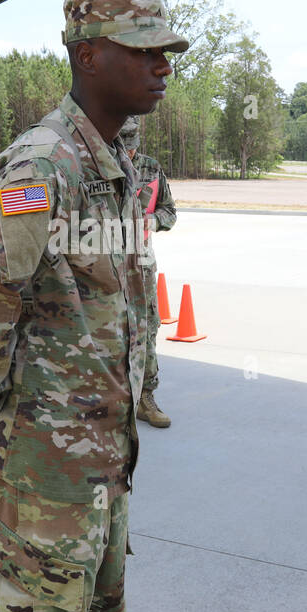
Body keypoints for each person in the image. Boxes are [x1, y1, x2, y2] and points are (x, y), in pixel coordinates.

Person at [0, 0, 185, 612]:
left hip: (103, 471)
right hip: (45, 483)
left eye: (167, 53)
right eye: (145, 51)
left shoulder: (114, 163)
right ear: (88, 55)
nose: (163, 66)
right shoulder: (44, 167)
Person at [119, 117, 177, 428]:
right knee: (108, 330)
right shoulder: (99, 167)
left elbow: (170, 211)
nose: (126, 154)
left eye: (131, 148)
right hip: (106, 264)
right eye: (121, 147)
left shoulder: (152, 169)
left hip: (141, 263)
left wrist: (152, 222)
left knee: (148, 327)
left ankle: (145, 398)